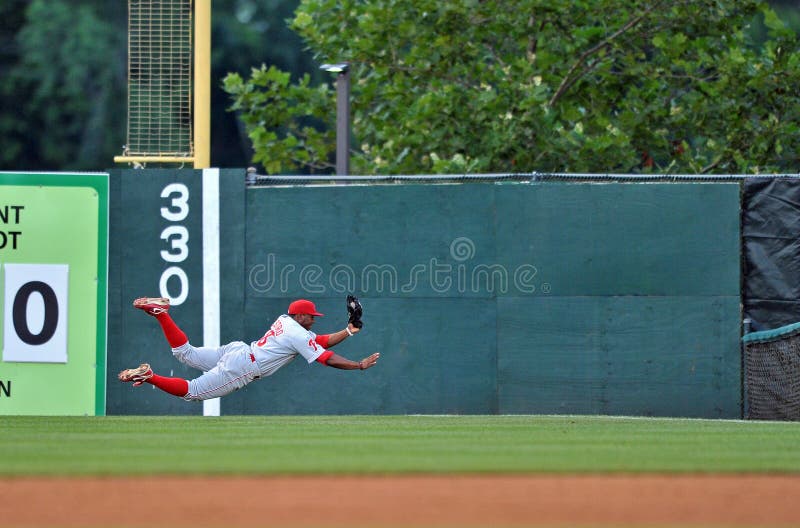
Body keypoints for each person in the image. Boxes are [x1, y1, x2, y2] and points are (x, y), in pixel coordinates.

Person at [118, 297, 380, 401]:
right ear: (300, 316)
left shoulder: (286, 322)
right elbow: (327, 358)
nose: (314, 319)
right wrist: (358, 365)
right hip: (243, 366)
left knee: (185, 353)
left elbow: (318, 341)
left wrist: (347, 331)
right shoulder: (298, 333)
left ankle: (161, 314)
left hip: (239, 352)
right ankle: (148, 375)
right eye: (311, 316)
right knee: (193, 392)